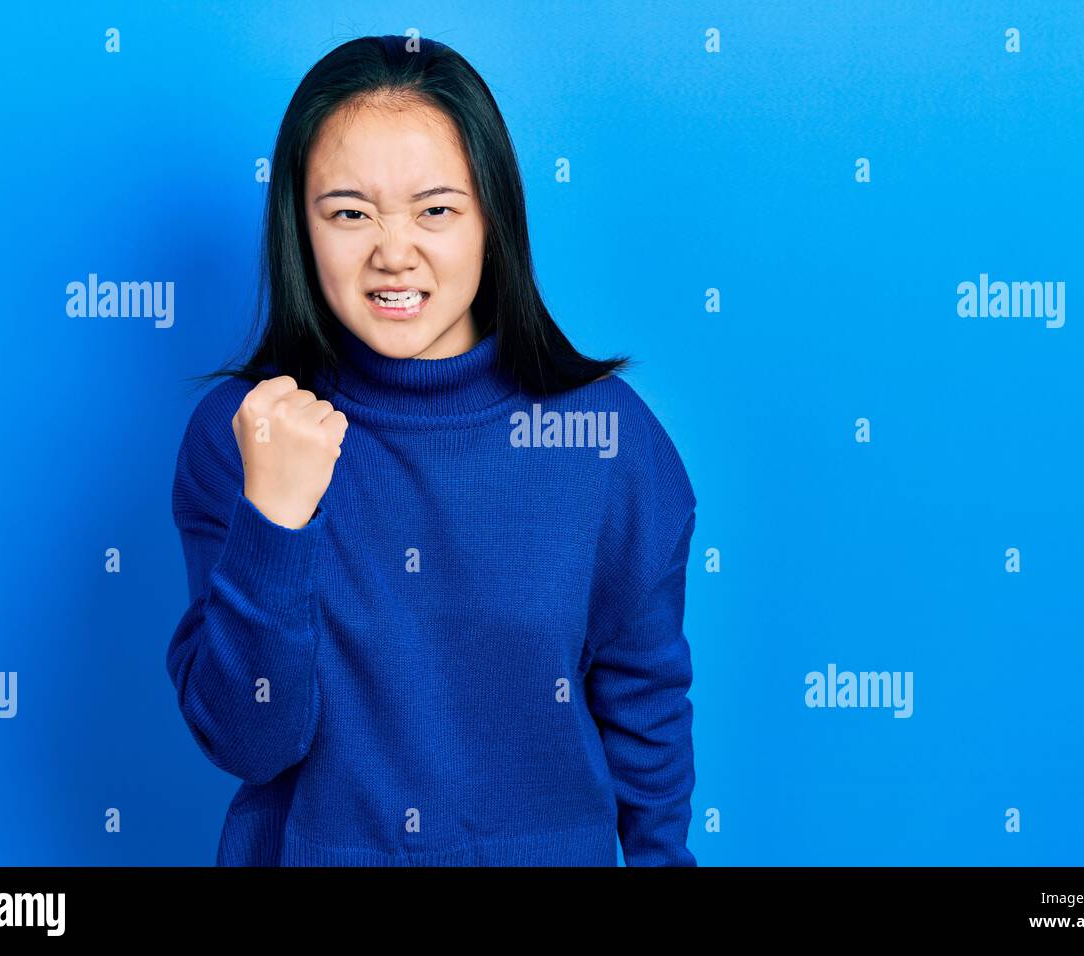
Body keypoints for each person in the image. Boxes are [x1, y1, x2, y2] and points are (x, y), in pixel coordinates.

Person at [167, 34, 697, 866]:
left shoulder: (607, 443)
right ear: (299, 226)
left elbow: (648, 714)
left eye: (436, 209)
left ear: (494, 216)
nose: (392, 250)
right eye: (348, 212)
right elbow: (248, 741)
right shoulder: (244, 434)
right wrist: (275, 518)